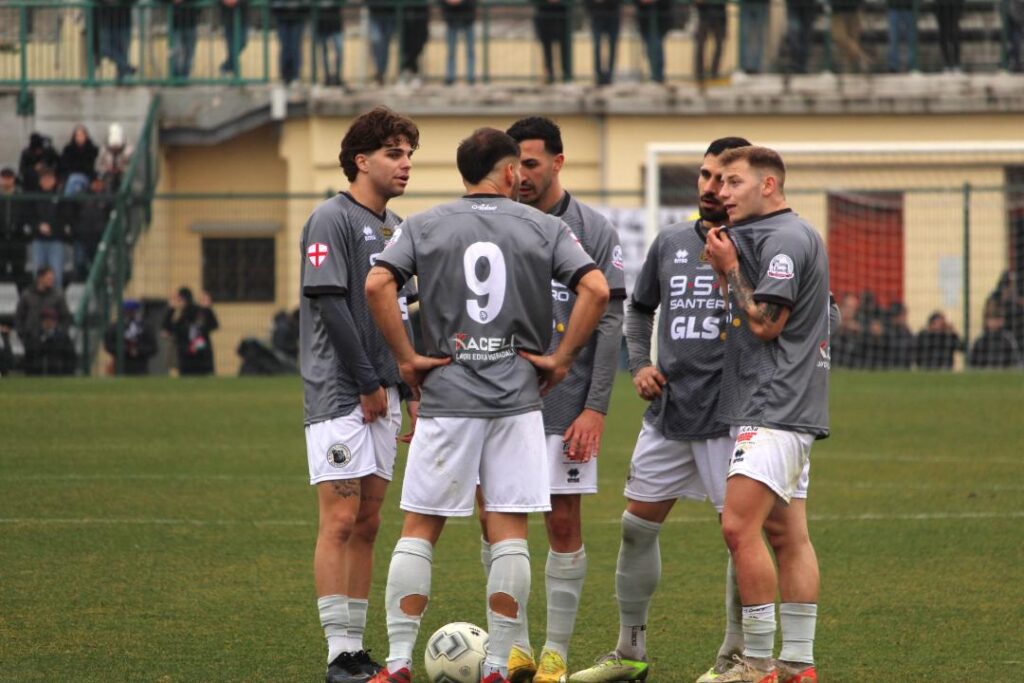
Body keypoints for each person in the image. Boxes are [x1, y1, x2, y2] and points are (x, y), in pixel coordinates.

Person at [364, 127, 609, 683]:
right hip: (517, 403)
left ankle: (399, 662)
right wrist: (562, 358)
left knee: (419, 525)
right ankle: (499, 665)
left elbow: (378, 283)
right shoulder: (546, 227)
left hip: (448, 398)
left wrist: (407, 359)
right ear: (508, 173)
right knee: (509, 529)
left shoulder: (425, 224)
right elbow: (594, 289)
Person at [567, 137, 754, 683]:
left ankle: (735, 655)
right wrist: (639, 364)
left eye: (723, 178)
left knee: (740, 536)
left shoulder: (769, 242)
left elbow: (813, 317)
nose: (710, 187)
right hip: (670, 413)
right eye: (704, 176)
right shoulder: (671, 241)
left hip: (732, 416)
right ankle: (629, 654)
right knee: (635, 528)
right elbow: (637, 307)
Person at [475, 116, 626, 683]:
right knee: (493, 519)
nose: (520, 176)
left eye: (532, 164)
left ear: (559, 162)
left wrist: (596, 407)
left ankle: (555, 655)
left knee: (563, 521)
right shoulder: (489, 222)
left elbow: (610, 325)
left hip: (565, 405)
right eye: (514, 165)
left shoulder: (593, 228)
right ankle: (511, 647)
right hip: (493, 398)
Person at [297, 107, 421, 683]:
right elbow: (328, 303)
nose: (405, 164)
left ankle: (356, 650)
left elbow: (402, 313)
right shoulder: (330, 217)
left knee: (370, 521)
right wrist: (368, 381)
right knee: (340, 517)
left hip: (386, 392)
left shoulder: (397, 226)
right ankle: (337, 654)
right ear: (361, 159)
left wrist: (408, 384)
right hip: (342, 391)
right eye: (394, 153)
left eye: (409, 155)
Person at [704, 145, 829, 683]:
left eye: (733, 183)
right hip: (784, 404)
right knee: (787, 536)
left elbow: (765, 323)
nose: (721, 193)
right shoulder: (781, 235)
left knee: (737, 527)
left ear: (768, 186)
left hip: (773, 404)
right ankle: (798, 664)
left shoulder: (785, 239)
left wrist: (730, 268)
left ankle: (757, 664)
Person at [29, 166, 72, 291]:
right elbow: (29, 216)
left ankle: (56, 304)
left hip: (56, 240)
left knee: (56, 273)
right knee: (37, 272)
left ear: (54, 180)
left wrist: (52, 227)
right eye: (44, 179)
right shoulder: (34, 197)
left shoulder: (61, 197)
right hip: (38, 239)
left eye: (49, 179)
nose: (47, 182)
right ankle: (37, 302)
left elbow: (65, 217)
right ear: (40, 181)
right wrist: (38, 226)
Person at [15, 267, 72, 360]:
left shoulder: (58, 296)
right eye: (49, 278)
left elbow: (65, 317)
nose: (52, 281)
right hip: (31, 339)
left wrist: (59, 332)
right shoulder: (27, 295)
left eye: (52, 278)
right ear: (40, 278)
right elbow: (19, 317)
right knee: (32, 369)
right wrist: (23, 335)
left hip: (54, 340)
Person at [161, 287, 219, 375]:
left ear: (182, 299)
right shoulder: (200, 313)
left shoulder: (183, 318)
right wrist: (208, 308)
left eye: (178, 299)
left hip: (186, 356)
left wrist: (171, 308)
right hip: (201, 355)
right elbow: (214, 325)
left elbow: (166, 328)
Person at [104, 299, 158, 375]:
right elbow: (109, 345)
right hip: (121, 365)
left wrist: (138, 350)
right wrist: (126, 350)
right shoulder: (115, 327)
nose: (129, 314)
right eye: (126, 311)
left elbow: (153, 347)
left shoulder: (146, 326)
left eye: (131, 312)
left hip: (140, 365)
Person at [1, 166, 31, 288]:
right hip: (1, 238)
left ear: (13, 179)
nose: (7, 181)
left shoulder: (21, 195)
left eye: (9, 178)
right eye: (4, 178)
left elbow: (27, 215)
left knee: (19, 272)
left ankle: (23, 301)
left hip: (17, 238)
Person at [23, 307, 76, 375]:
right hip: (37, 375)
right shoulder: (34, 337)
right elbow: (28, 358)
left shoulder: (63, 338)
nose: (48, 323)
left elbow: (70, 359)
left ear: (55, 322)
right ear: (41, 322)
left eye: (51, 320)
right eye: (45, 320)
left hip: (59, 375)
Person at [95, 0, 136, 82]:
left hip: (124, 21)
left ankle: (122, 79)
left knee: (122, 51)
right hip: (106, 21)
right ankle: (127, 67)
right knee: (104, 48)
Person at [534, 0, 572, 84]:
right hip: (544, 16)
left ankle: (566, 76)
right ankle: (549, 75)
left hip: (562, 17)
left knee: (565, 48)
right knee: (547, 49)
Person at [636, 0, 673, 83]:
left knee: (656, 48)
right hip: (644, 20)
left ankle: (658, 77)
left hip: (660, 19)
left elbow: (667, 3)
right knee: (650, 50)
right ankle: (654, 76)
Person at [441, 0, 477, 85]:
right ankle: (450, 77)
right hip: (451, 19)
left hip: (468, 18)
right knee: (451, 51)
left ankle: (470, 77)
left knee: (470, 51)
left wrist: (460, 2)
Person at [272, 0, 307, 84]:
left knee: (294, 47)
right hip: (282, 15)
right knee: (285, 47)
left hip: (297, 14)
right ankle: (284, 76)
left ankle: (295, 75)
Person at [829, 0, 871, 72]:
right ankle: (862, 56)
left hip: (854, 9)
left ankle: (848, 73)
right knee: (839, 37)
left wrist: (861, 12)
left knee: (853, 40)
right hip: (837, 10)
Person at [585, 0, 620, 85]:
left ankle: (610, 75)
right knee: (597, 45)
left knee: (613, 46)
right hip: (596, 15)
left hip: (613, 14)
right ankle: (599, 75)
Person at [58, 125, 99, 196]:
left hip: (87, 176)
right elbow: (64, 165)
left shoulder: (92, 150)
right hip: (70, 175)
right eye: (77, 135)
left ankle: (68, 201)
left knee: (75, 181)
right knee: (74, 181)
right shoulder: (68, 150)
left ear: (86, 136)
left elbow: (91, 166)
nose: (80, 137)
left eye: (81, 135)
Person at [695, 0, 727, 85]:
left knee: (719, 45)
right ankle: (699, 74)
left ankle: (714, 72)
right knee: (700, 45)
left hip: (719, 16)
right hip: (704, 16)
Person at [781, 0, 818, 74]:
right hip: (795, 4)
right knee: (795, 32)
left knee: (805, 35)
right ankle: (797, 62)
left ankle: (801, 64)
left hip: (808, 6)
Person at [167, 0, 201, 80]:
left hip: (191, 21)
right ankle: (175, 77)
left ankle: (184, 77)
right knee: (175, 50)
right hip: (174, 23)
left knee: (189, 52)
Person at [96, 123, 134, 192]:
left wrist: (123, 169)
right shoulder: (104, 150)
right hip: (108, 174)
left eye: (116, 147)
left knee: (123, 179)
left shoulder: (129, 151)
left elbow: (133, 167)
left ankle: (125, 200)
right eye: (113, 147)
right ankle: (108, 200)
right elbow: (98, 166)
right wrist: (106, 169)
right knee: (109, 179)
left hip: (123, 174)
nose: (114, 149)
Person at [315, 0, 345, 86]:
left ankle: (338, 77)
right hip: (321, 22)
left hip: (336, 22)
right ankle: (327, 77)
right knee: (324, 52)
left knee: (339, 50)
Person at [368, 0, 398, 84]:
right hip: (375, 11)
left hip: (390, 10)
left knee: (385, 43)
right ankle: (379, 71)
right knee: (376, 41)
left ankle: (382, 72)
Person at [739, 0, 770, 74]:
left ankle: (756, 66)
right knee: (746, 35)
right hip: (747, 3)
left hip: (761, 3)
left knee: (759, 36)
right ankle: (746, 66)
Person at [219, 0, 249, 76]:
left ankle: (225, 66)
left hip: (242, 17)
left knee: (242, 43)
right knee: (231, 48)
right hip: (227, 19)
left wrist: (237, 1)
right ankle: (236, 76)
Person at [886, 0, 917, 72]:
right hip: (894, 6)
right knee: (893, 37)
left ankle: (912, 65)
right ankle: (893, 65)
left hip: (909, 7)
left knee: (911, 38)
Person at [934, 0, 964, 71]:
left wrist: (960, 6)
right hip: (941, 7)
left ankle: (956, 63)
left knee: (955, 34)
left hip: (954, 6)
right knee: (943, 35)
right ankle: (946, 64)